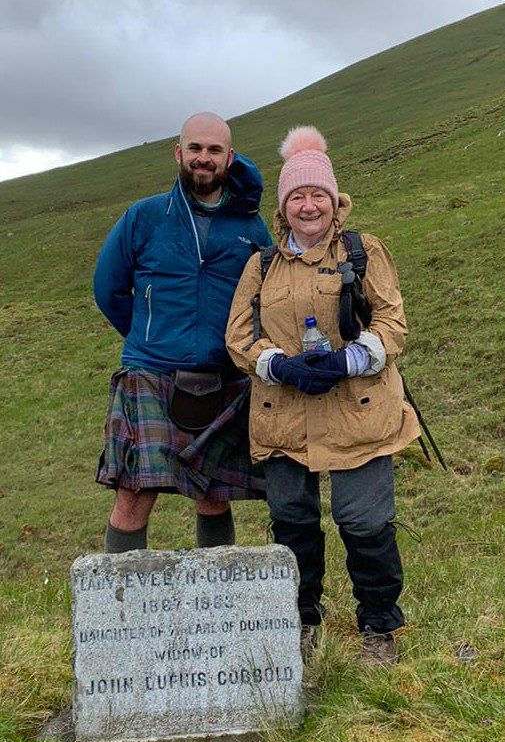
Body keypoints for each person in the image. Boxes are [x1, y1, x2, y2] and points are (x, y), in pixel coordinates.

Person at [226, 126, 420, 664]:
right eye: (297, 197)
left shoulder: (365, 250)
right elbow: (238, 335)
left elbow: (393, 322)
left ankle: (379, 629)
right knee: (292, 522)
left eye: (318, 195)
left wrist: (350, 359)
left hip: (359, 413)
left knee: (363, 522)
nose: (308, 206)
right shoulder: (260, 265)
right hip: (283, 416)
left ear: (334, 201)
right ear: (283, 207)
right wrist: (280, 366)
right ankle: (301, 624)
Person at [94, 112, 273, 553]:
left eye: (214, 150)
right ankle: (122, 612)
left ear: (230, 158)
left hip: (222, 374)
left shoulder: (249, 228)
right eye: (194, 148)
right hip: (151, 372)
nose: (203, 159)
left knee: (213, 495)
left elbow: (266, 296)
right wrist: (148, 335)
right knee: (133, 495)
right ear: (178, 153)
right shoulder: (144, 216)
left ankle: (217, 610)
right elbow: (108, 288)